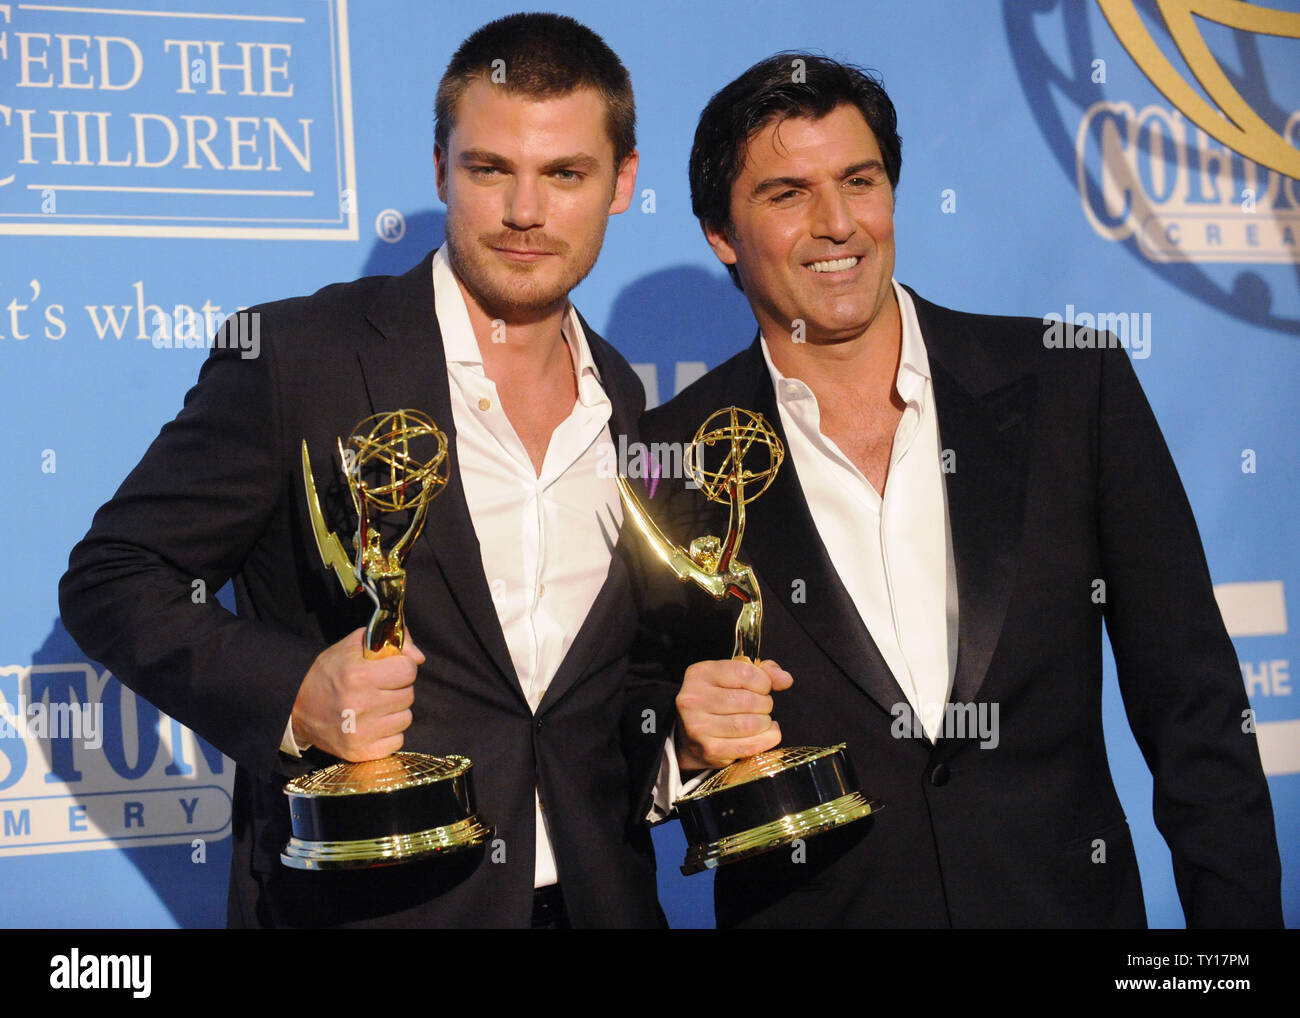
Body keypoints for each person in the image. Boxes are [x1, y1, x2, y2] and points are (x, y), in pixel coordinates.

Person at [639, 52, 1282, 928]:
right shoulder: (668, 454)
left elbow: (1196, 710)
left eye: (858, 181)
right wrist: (679, 746)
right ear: (721, 232)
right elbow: (609, 729)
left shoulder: (1068, 384)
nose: (838, 225)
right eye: (787, 194)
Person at [59, 13, 672, 929]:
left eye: (566, 174)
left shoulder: (621, 392)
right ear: (439, 169)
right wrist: (294, 692)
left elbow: (583, 688)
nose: (525, 212)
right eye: (489, 169)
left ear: (622, 182)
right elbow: (113, 579)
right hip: (374, 907)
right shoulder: (299, 356)